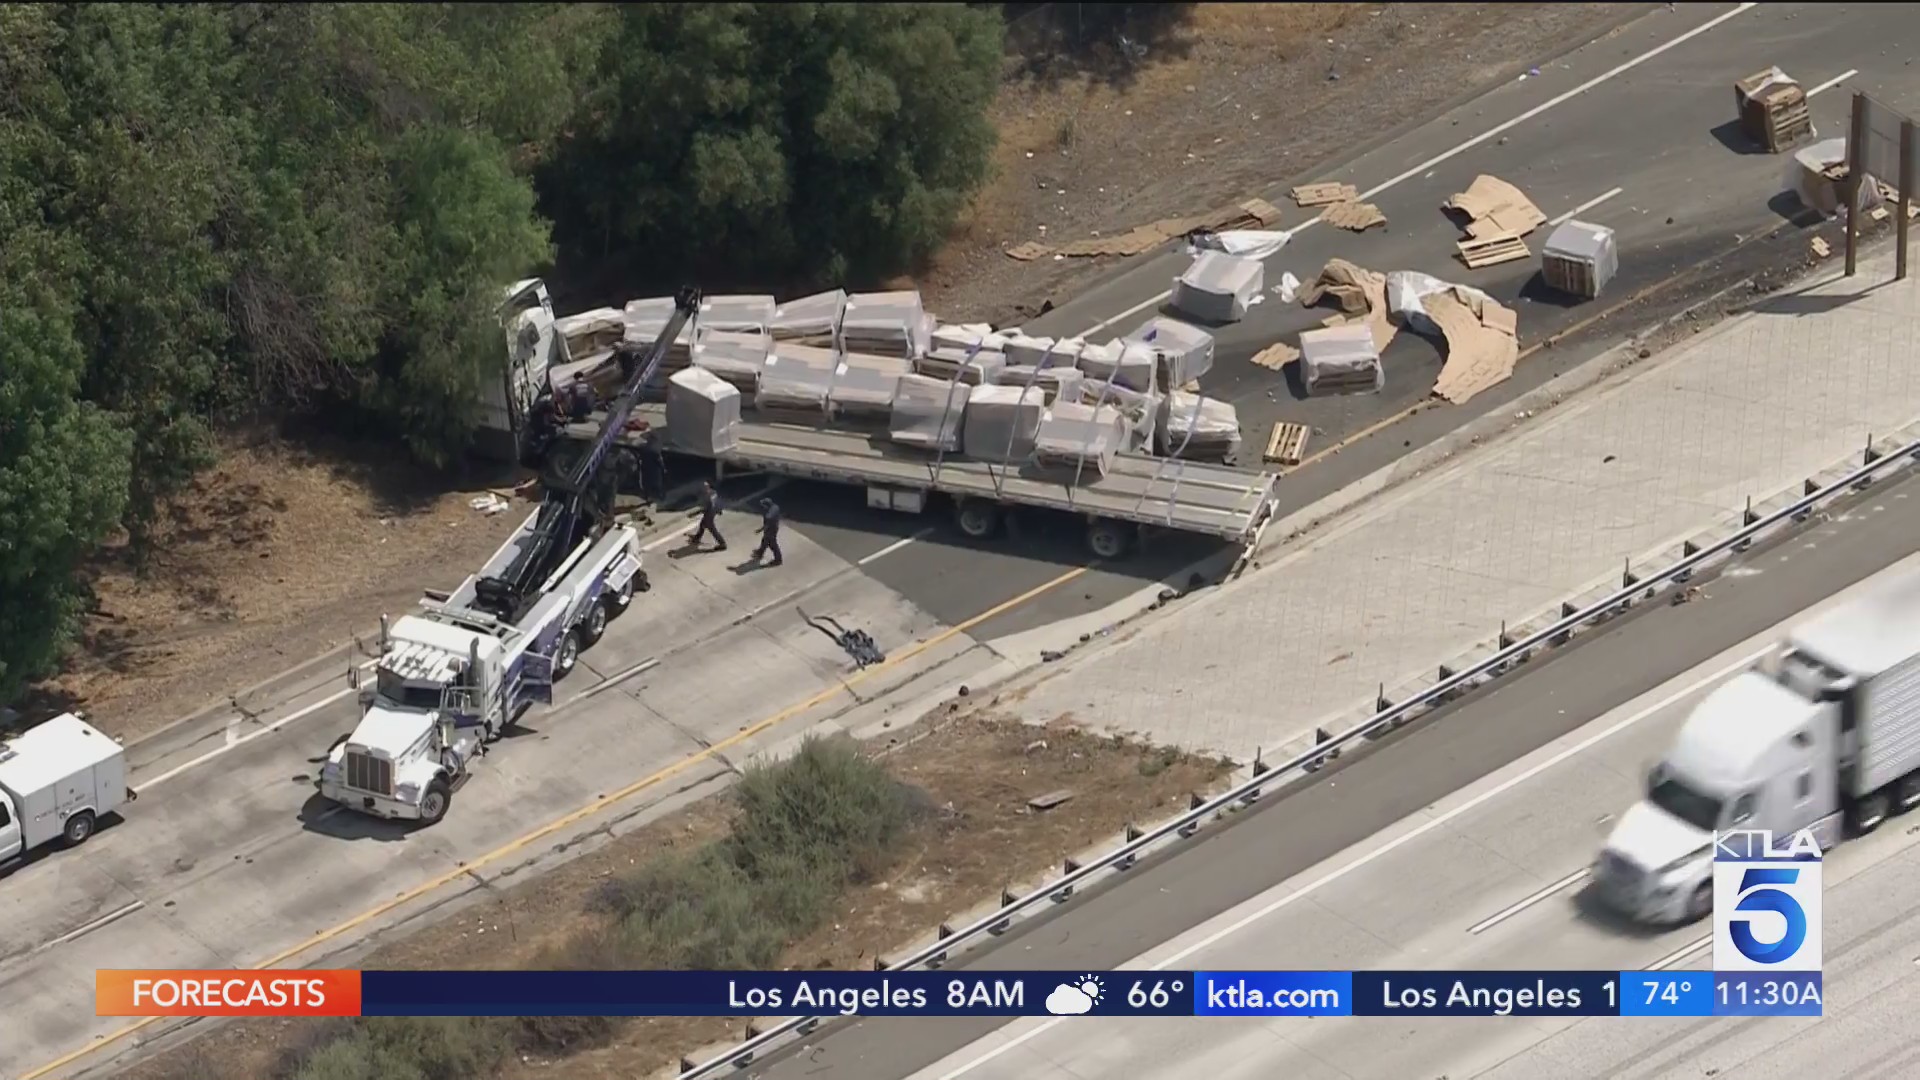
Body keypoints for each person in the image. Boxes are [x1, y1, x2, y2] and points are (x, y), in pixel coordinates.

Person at [690, 481, 725, 550]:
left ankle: (722, 543)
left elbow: (705, 508)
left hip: (709, 513)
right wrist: (719, 510)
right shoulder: (713, 492)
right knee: (702, 524)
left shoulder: (706, 496)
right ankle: (697, 538)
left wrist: (694, 514)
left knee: (712, 528)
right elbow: (717, 501)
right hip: (713, 511)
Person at [752, 498, 783, 566]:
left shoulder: (769, 515)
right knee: (765, 540)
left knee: (772, 544)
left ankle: (778, 560)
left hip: (771, 529)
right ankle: (760, 552)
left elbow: (767, 525)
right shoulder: (775, 507)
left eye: (763, 505)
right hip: (774, 527)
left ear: (767, 505)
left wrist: (760, 530)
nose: (762, 507)